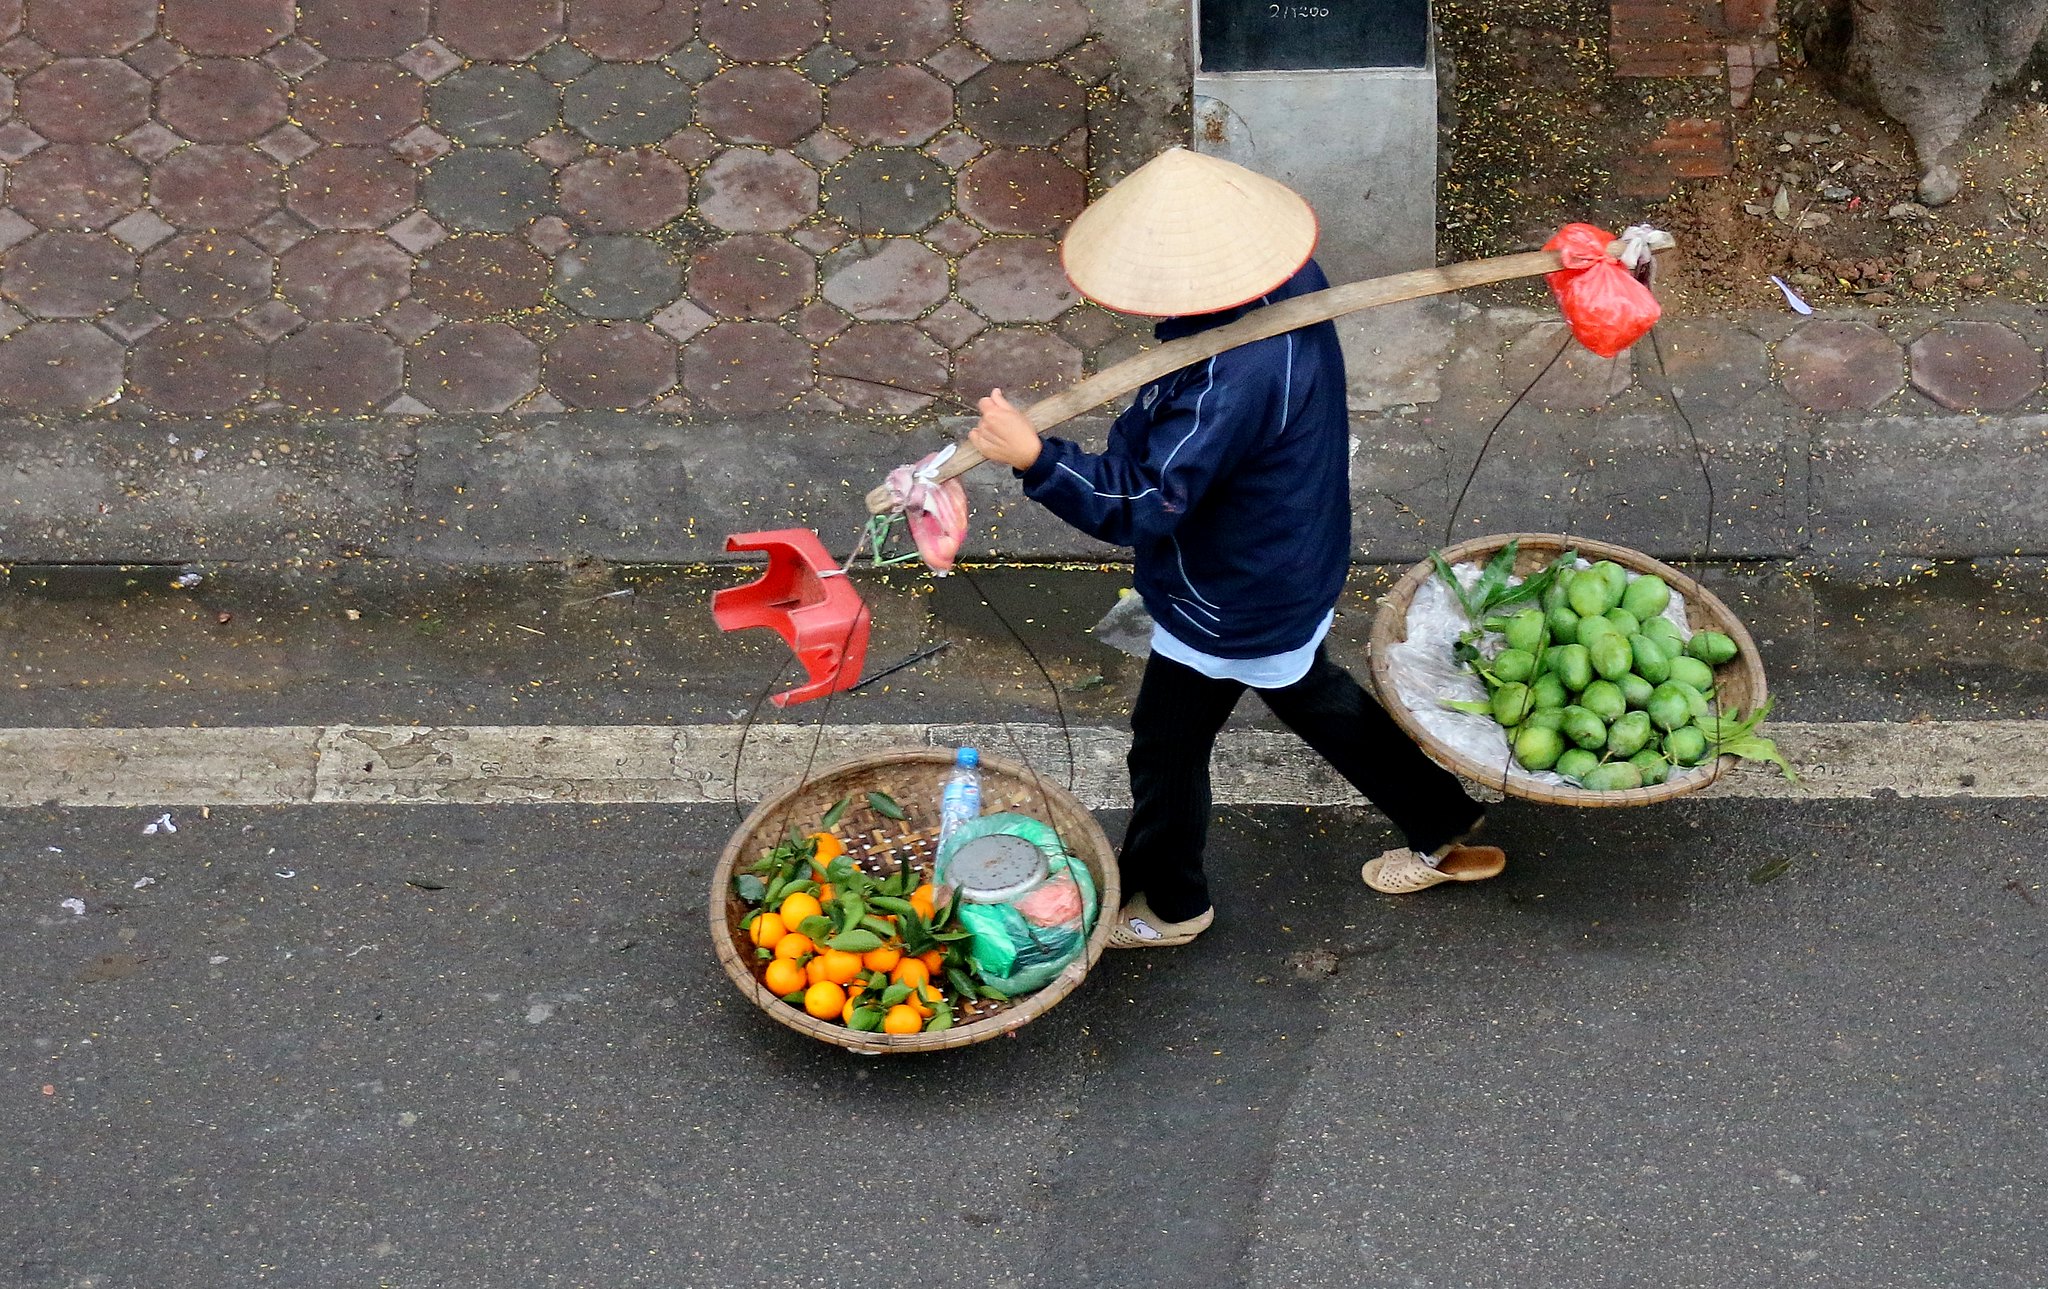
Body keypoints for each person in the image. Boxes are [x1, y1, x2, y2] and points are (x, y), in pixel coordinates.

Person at [967, 147, 1506, 949]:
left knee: (1167, 746)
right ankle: (1443, 820)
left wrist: (1037, 459)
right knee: (1304, 688)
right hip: (1292, 550)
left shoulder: (1230, 381)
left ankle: (1172, 902)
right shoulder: (1293, 281)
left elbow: (1147, 499)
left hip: (1234, 590)